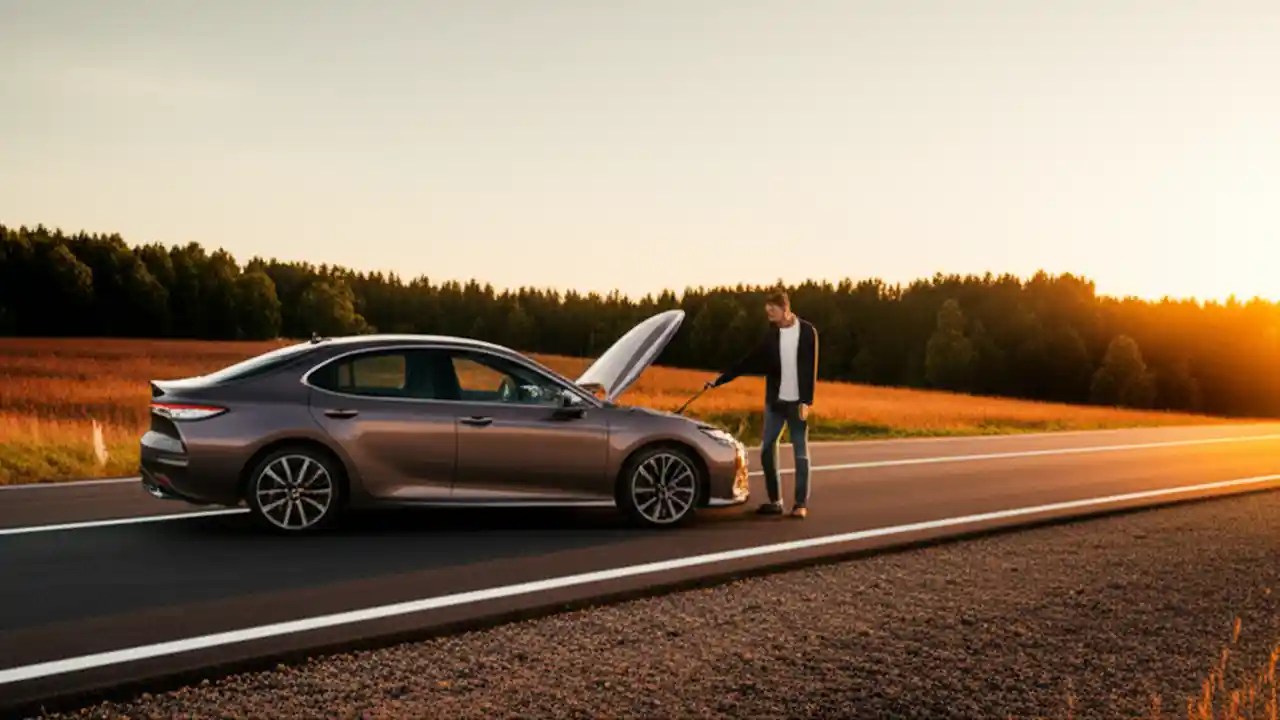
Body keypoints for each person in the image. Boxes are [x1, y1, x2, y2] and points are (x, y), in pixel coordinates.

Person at [704, 290, 818, 518]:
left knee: (800, 453)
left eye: (772, 311)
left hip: (797, 403)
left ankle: (800, 504)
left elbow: (810, 366)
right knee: (766, 449)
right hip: (775, 402)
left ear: (785, 309)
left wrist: (807, 400)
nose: (769, 316)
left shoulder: (807, 332)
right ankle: (775, 501)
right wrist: (720, 380)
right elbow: (748, 361)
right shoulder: (771, 336)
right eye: (767, 312)